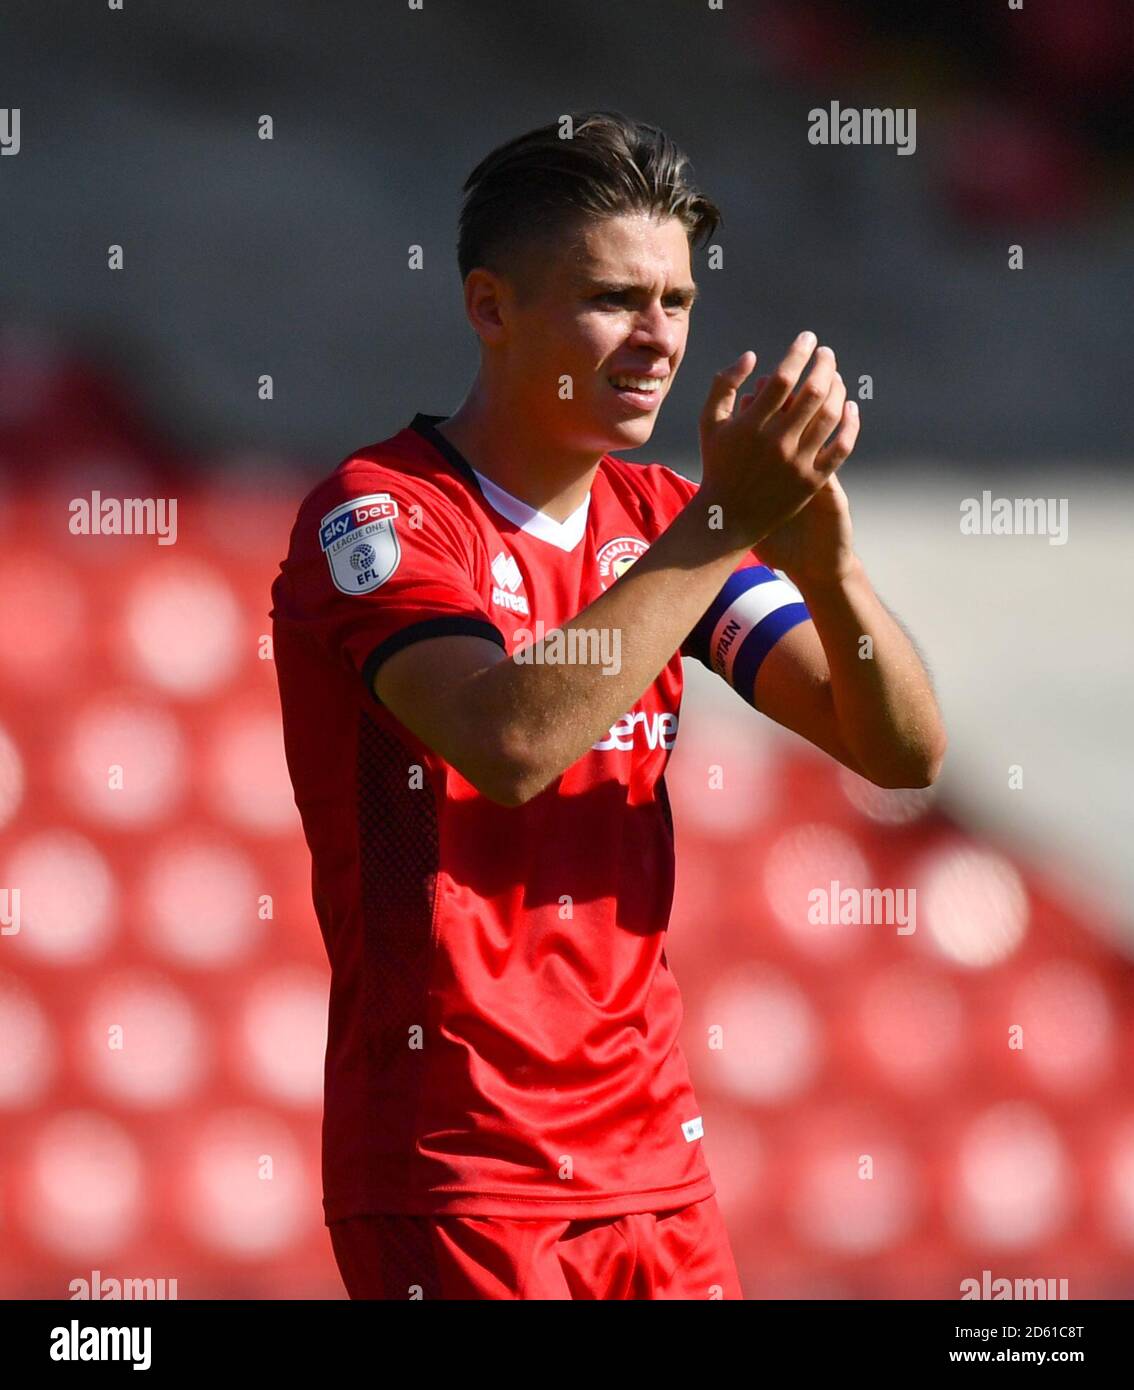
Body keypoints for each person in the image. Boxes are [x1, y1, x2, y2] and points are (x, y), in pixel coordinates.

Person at [269, 109, 946, 1300]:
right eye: (613, 300)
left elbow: (897, 750)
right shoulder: (376, 518)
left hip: (655, 1166)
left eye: (677, 302)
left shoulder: (661, 521)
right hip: (461, 1168)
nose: (656, 340)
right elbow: (508, 738)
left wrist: (830, 572)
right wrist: (723, 525)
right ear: (491, 307)